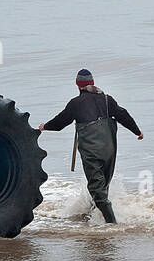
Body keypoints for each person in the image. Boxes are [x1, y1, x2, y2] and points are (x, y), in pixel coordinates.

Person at [36, 68, 143, 224]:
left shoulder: (76, 103)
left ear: (78, 85)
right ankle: (91, 217)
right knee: (102, 185)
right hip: (109, 150)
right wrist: (137, 131)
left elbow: (60, 122)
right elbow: (123, 115)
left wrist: (45, 126)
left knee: (97, 188)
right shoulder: (107, 100)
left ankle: (112, 225)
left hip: (91, 152)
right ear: (92, 83)